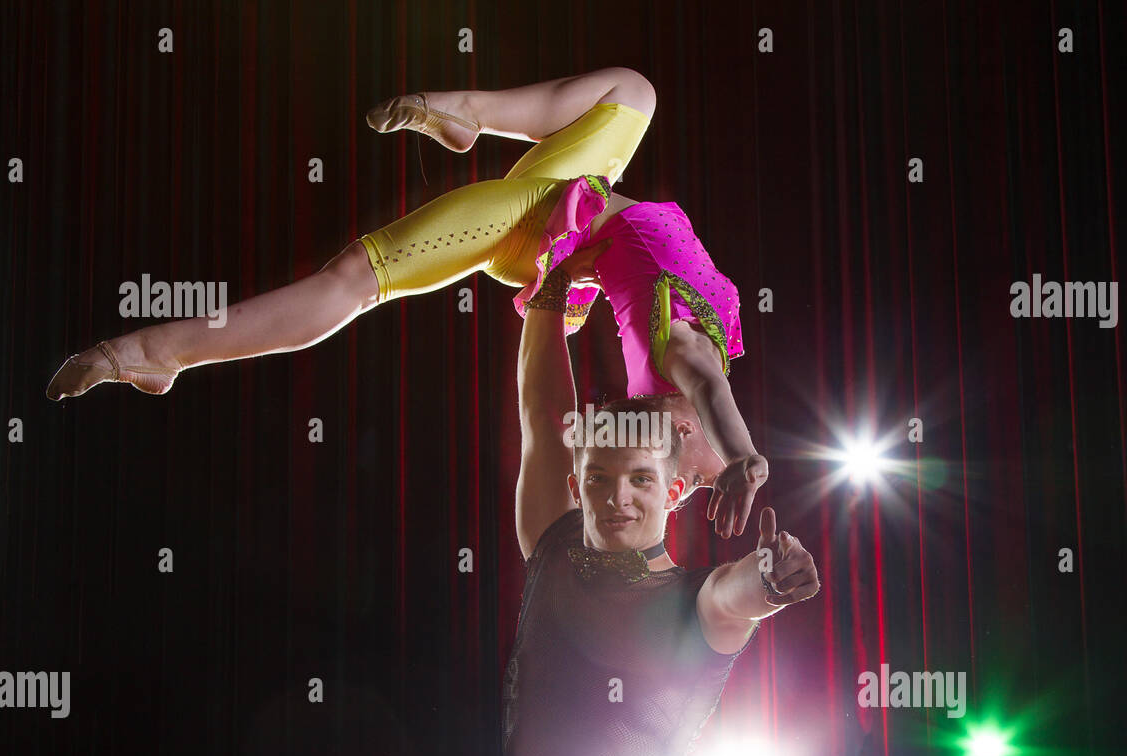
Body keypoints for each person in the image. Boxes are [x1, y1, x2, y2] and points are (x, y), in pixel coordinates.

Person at [45, 68, 766, 535]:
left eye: (687, 487)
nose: (691, 489)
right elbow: (710, 394)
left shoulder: (681, 359)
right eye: (694, 482)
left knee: (353, 280)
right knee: (634, 93)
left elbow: (700, 394)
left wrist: (736, 461)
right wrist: (736, 461)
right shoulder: (700, 363)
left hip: (543, 223)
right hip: (584, 216)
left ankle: (153, 352)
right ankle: (467, 113)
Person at [503, 250, 819, 756]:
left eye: (641, 481)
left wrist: (772, 578)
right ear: (577, 488)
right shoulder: (553, 545)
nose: (617, 498)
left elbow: (737, 594)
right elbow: (541, 417)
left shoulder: (692, 599)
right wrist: (550, 287)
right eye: (598, 479)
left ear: (673, 491)